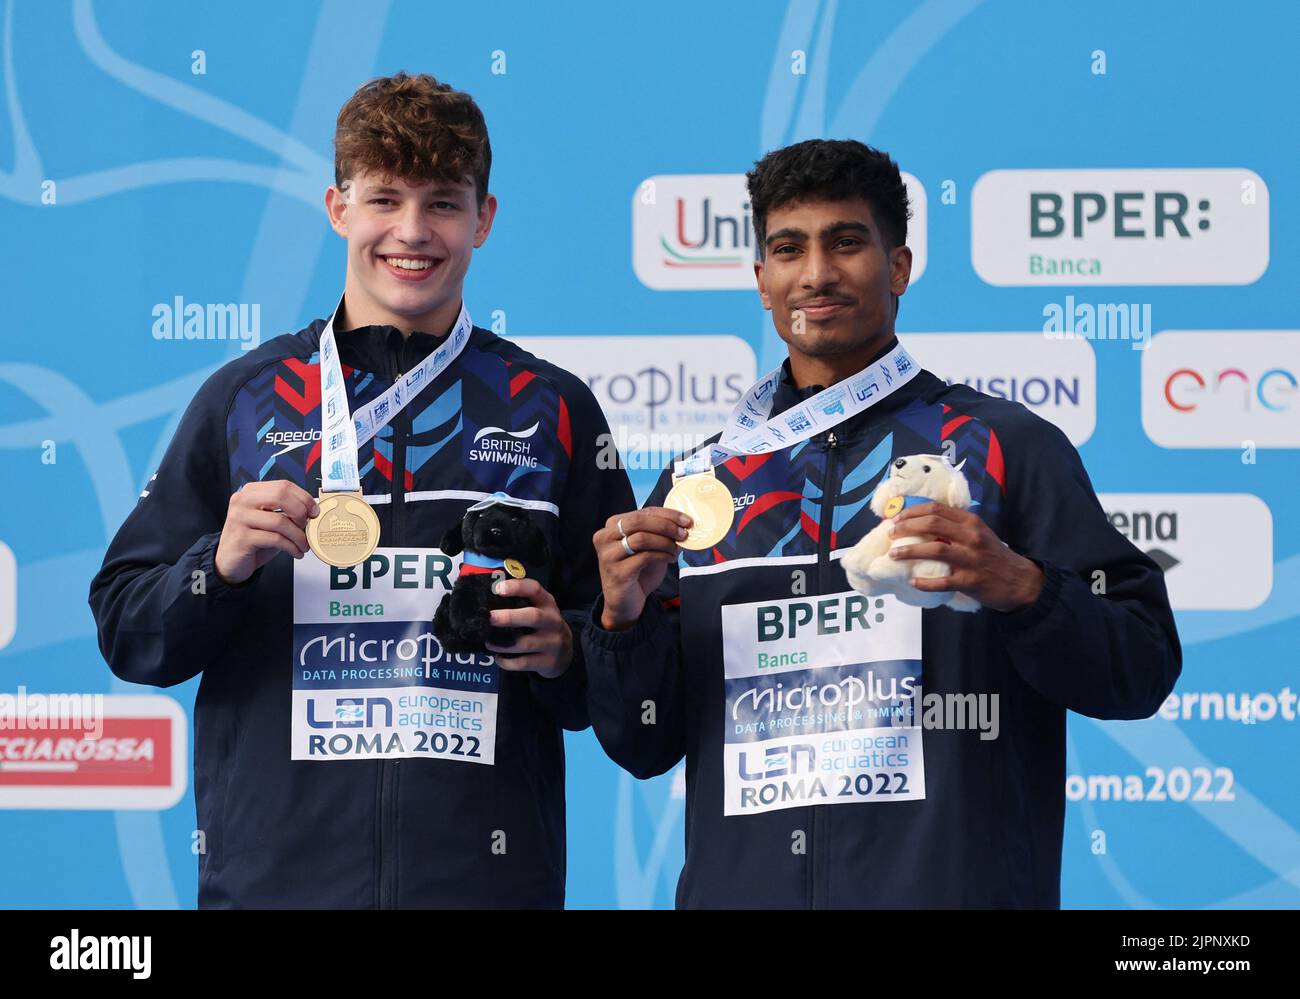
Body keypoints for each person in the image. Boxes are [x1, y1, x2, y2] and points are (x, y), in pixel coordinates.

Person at [582, 138, 1181, 908]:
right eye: (789, 248)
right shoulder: (702, 479)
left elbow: (1140, 668)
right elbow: (643, 742)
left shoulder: (1007, 448)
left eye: (847, 242)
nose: (818, 272)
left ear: (898, 267)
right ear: (762, 281)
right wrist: (621, 622)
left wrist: (1025, 588)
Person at [89, 71, 633, 908]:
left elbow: (628, 677)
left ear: (484, 218)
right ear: (338, 208)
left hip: (485, 887)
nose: (412, 232)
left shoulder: (552, 408)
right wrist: (218, 565)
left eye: (443, 203)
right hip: (277, 886)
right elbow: (129, 629)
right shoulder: (246, 400)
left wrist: (566, 652)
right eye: (384, 200)